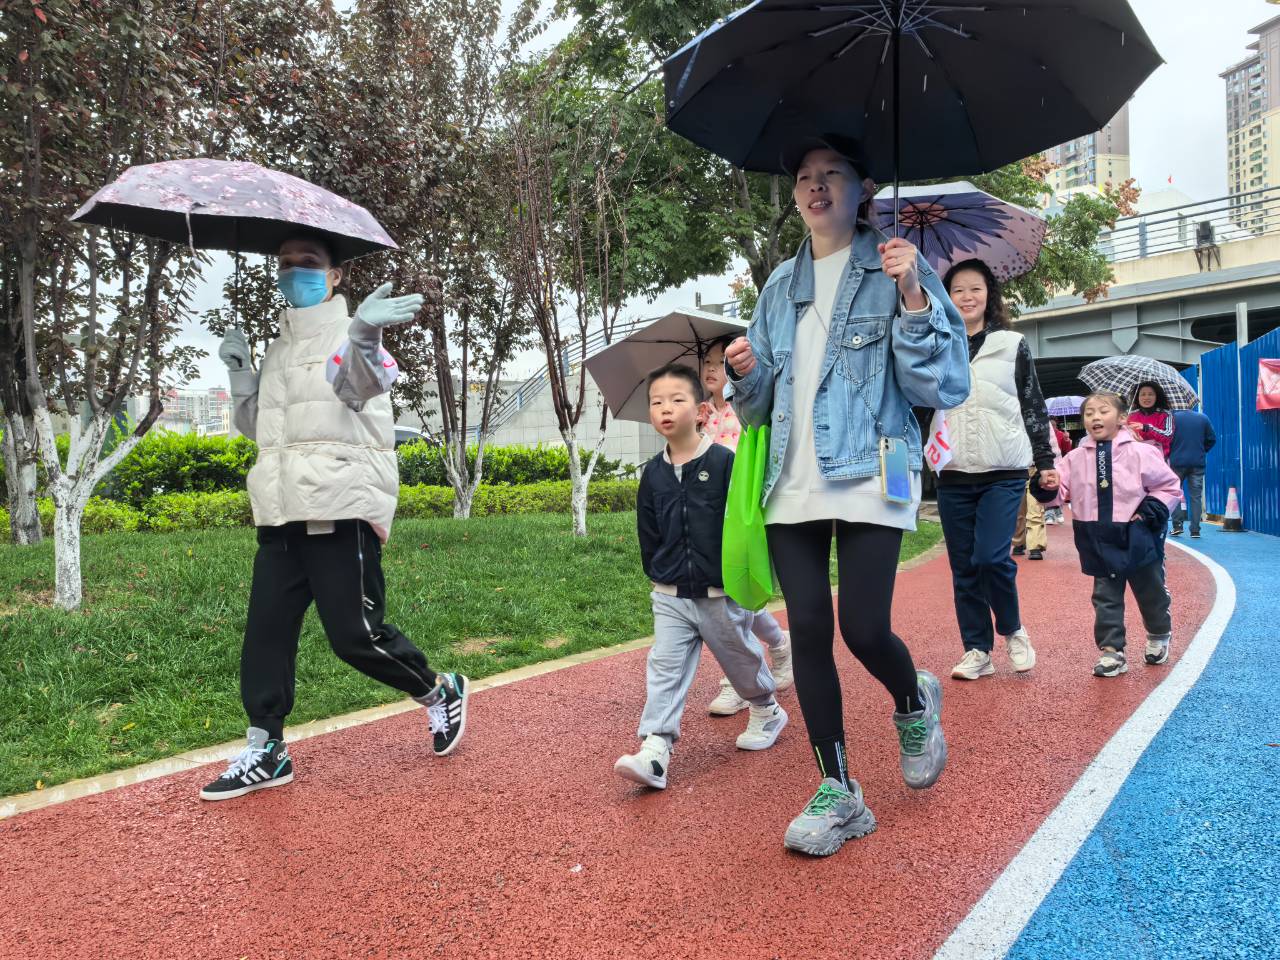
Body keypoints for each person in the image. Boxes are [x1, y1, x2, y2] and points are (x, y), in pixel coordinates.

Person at [726, 135, 968, 857]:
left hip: (874, 466)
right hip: (792, 481)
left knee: (863, 627)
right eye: (805, 177)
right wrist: (743, 372)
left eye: (833, 174)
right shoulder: (778, 286)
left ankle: (912, 699)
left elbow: (940, 386)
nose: (816, 186)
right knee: (807, 632)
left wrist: (915, 298)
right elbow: (759, 408)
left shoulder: (900, 267)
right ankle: (840, 791)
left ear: (864, 187)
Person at [202, 233, 468, 801]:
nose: (294, 272)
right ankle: (267, 747)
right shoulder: (277, 346)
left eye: (309, 264)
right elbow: (262, 429)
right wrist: (242, 373)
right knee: (266, 637)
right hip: (279, 511)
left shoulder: (350, 334)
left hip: (337, 506)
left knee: (356, 636)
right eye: (286, 264)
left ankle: (439, 690)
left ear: (337, 275)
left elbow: (360, 386)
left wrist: (365, 333)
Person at [614, 363, 788, 790]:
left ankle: (766, 709)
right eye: (657, 402)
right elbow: (648, 532)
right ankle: (655, 748)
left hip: (719, 590)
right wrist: (657, 573)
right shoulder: (652, 474)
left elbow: (744, 524)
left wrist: (738, 577)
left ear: (702, 410)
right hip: (671, 593)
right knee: (665, 668)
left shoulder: (724, 463)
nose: (665, 409)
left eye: (677, 400)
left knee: (740, 659)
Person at [937, 258, 1057, 681]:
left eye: (975, 289)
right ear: (945, 298)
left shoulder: (1011, 343)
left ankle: (1013, 629)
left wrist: (1045, 461)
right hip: (952, 472)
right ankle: (977, 649)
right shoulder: (936, 344)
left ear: (990, 294)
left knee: (990, 558)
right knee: (963, 567)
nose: (967, 297)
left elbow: (1032, 402)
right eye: (957, 290)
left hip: (1003, 469)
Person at [1031, 393, 1183, 675]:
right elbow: (1057, 495)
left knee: (1150, 591)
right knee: (1105, 596)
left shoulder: (1142, 452)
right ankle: (1112, 650)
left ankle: (1159, 634)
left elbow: (1170, 487)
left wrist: (1148, 514)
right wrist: (1048, 484)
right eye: (1089, 413)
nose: (1095, 418)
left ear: (1122, 418)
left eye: (1103, 411)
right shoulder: (1074, 458)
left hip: (1137, 535)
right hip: (1095, 536)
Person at [698, 336, 795, 715]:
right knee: (733, 597)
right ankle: (779, 642)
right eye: (706, 361)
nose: (711, 368)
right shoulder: (702, 416)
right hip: (711, 520)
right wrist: (696, 429)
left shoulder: (747, 412)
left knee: (732, 599)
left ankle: (736, 683)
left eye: (721, 361)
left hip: (741, 515)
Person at [1169, 404, 1216, 539]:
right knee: (1196, 496)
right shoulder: (1203, 418)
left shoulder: (1172, 418)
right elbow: (1212, 439)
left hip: (1177, 462)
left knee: (1175, 494)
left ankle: (1177, 526)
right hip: (1197, 463)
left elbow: (1166, 439)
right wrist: (1202, 451)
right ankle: (1195, 530)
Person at [1127, 381, 1174, 461]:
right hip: (1136, 459)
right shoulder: (1130, 415)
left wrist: (1147, 428)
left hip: (1159, 460)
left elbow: (1168, 436)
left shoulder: (1165, 414)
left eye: (1150, 394)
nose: (1146, 397)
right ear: (1137, 397)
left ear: (1157, 397)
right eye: (1143, 394)